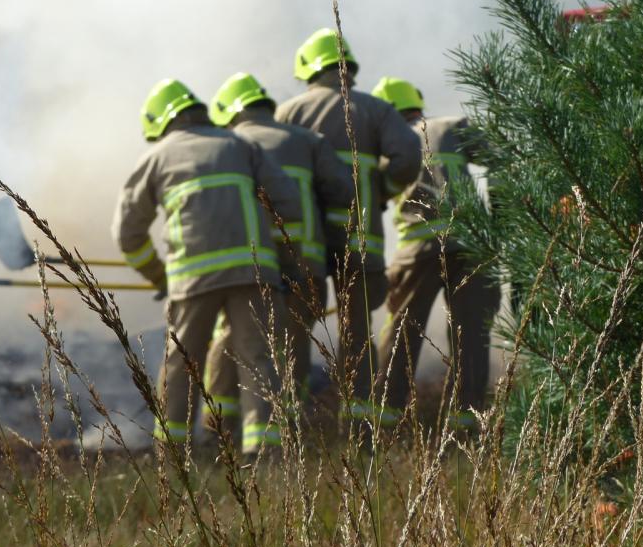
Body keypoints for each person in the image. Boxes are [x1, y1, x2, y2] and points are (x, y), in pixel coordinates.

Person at [113, 79, 303, 457]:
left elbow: (127, 232)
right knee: (258, 360)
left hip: (191, 280)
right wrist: (282, 259)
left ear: (159, 121)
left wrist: (158, 274)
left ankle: (173, 457)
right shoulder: (240, 145)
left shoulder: (157, 157)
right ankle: (265, 458)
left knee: (182, 364)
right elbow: (289, 203)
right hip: (253, 274)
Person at [275, 29, 421, 429]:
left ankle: (292, 418)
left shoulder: (288, 113)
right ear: (350, 67)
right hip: (359, 238)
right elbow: (408, 156)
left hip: (303, 240)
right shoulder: (376, 109)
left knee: (297, 323)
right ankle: (359, 423)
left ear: (307, 67)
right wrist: (380, 192)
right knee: (357, 329)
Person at [202, 72, 354, 439]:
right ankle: (287, 428)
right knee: (295, 343)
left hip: (250, 265)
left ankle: (217, 429)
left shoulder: (227, 145)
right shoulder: (309, 142)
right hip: (308, 266)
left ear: (229, 113)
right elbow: (344, 192)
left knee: (232, 340)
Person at [370, 76, 501, 431]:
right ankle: (465, 426)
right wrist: (500, 227)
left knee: (400, 335)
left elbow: (371, 201)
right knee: (472, 337)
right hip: (471, 246)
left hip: (416, 251)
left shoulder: (383, 146)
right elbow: (503, 160)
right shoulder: (453, 126)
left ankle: (384, 423)